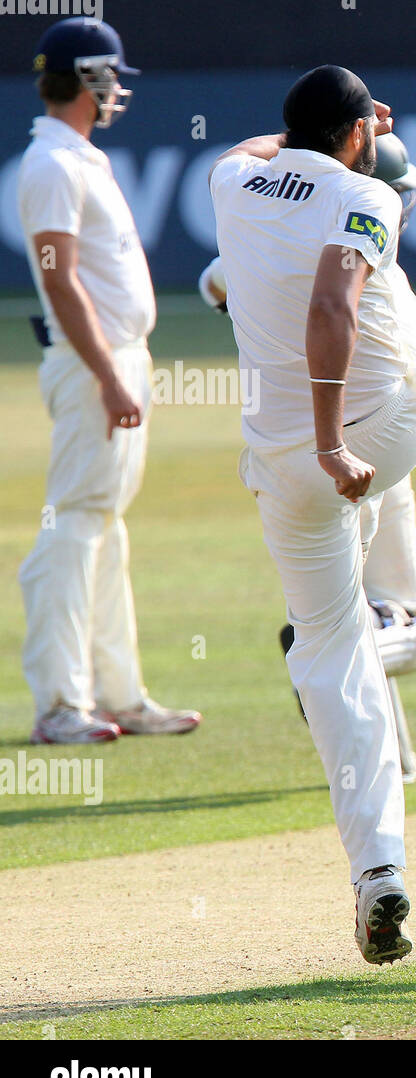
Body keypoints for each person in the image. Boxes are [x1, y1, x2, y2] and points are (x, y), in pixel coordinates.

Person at [208, 65, 416, 964]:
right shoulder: (367, 194)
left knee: (329, 653)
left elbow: (251, 146)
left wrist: (335, 126)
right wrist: (336, 440)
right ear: (358, 137)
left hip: (280, 461)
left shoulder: (232, 180)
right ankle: (399, 627)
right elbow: (331, 304)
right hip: (376, 431)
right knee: (344, 638)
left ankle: (377, 869)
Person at [199, 132, 416, 782]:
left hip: (282, 444)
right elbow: (401, 363)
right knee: (379, 610)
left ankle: (390, 749)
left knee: (345, 600)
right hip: (353, 445)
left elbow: (214, 284)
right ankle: (369, 636)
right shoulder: (375, 266)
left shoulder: (266, 236)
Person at [17, 17, 201, 745]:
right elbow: (62, 284)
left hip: (120, 358)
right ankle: (61, 704)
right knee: (71, 528)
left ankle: (119, 695)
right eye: (112, 75)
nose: (119, 88)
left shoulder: (80, 159)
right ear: (90, 77)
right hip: (95, 364)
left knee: (103, 527)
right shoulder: (53, 165)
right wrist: (106, 375)